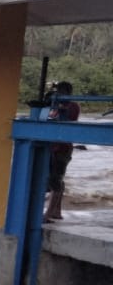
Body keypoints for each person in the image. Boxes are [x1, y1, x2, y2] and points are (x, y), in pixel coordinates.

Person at [44, 81, 80, 222]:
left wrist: (57, 107)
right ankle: (56, 211)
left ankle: (48, 214)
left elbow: (67, 120)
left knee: (55, 180)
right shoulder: (54, 106)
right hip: (52, 146)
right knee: (55, 179)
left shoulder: (73, 106)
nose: (59, 95)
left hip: (63, 148)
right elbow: (48, 119)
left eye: (62, 92)